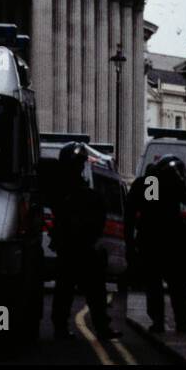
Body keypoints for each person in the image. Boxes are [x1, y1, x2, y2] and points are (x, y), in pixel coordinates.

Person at [49, 141, 119, 339]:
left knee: (93, 290)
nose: (80, 166)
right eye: (78, 162)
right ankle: (63, 327)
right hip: (71, 243)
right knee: (68, 289)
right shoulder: (62, 187)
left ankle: (99, 327)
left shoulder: (77, 185)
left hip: (83, 243)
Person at [127, 155, 186, 335]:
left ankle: (169, 321)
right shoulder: (154, 183)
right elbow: (153, 209)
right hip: (160, 241)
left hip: (158, 242)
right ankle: (171, 321)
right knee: (169, 285)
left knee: (165, 285)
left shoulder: (159, 182)